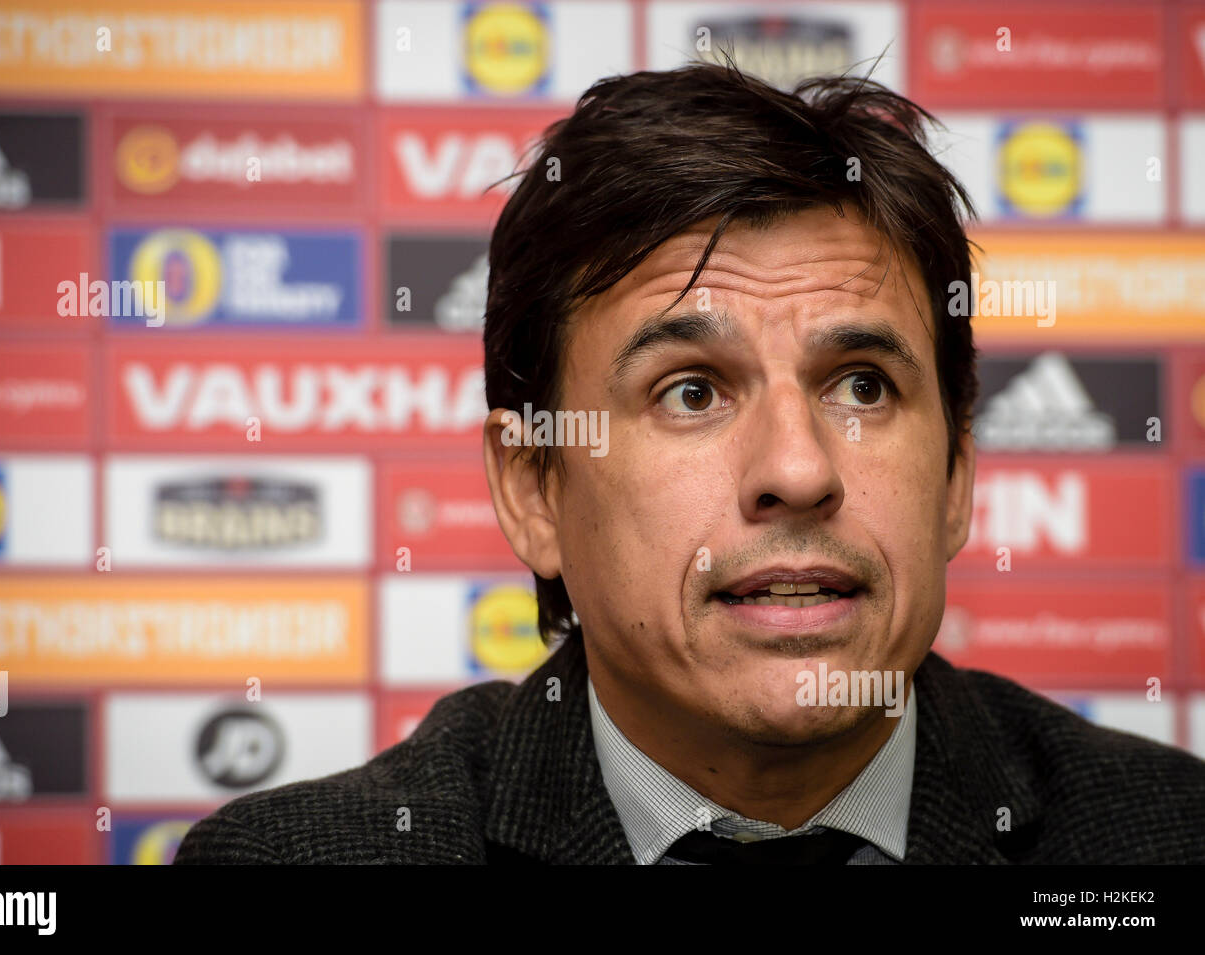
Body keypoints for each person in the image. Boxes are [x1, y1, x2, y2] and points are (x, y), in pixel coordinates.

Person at [175, 59, 1205, 864]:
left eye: (860, 385)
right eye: (691, 392)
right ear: (534, 485)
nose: (799, 472)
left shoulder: (1165, 838)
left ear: (957, 476)